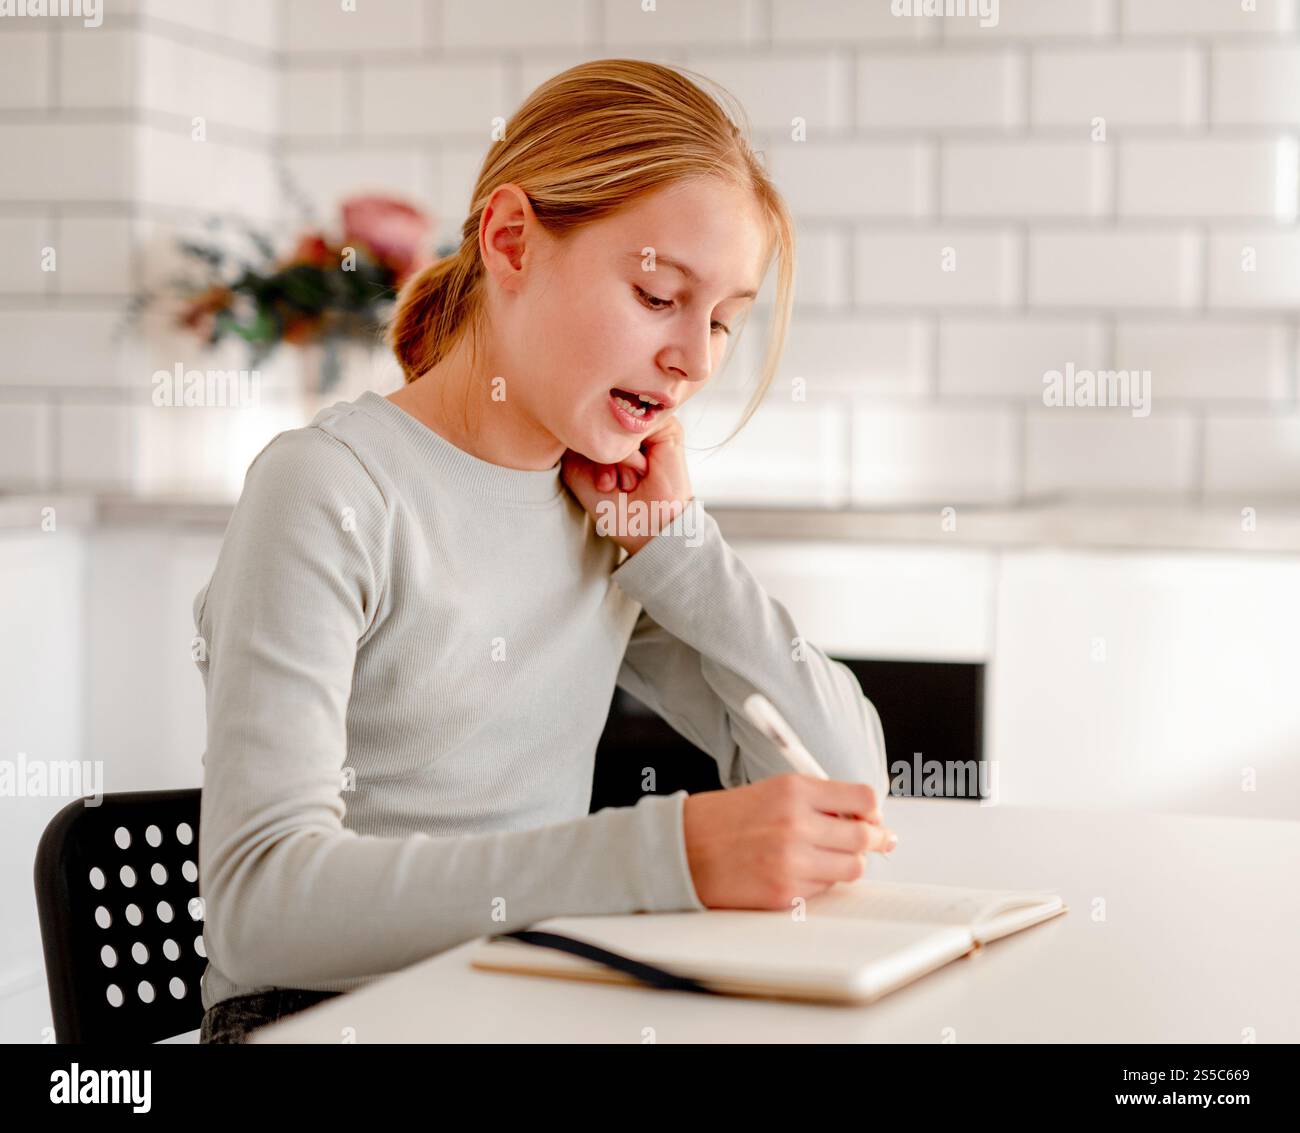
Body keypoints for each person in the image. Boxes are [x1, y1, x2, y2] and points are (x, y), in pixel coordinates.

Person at [195, 58, 894, 1044]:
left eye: (726, 321)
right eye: (658, 294)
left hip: (522, 1000)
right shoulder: (329, 488)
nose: (694, 358)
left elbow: (843, 779)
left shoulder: (604, 514)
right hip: (325, 1014)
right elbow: (261, 909)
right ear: (512, 240)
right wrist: (662, 856)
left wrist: (677, 550)